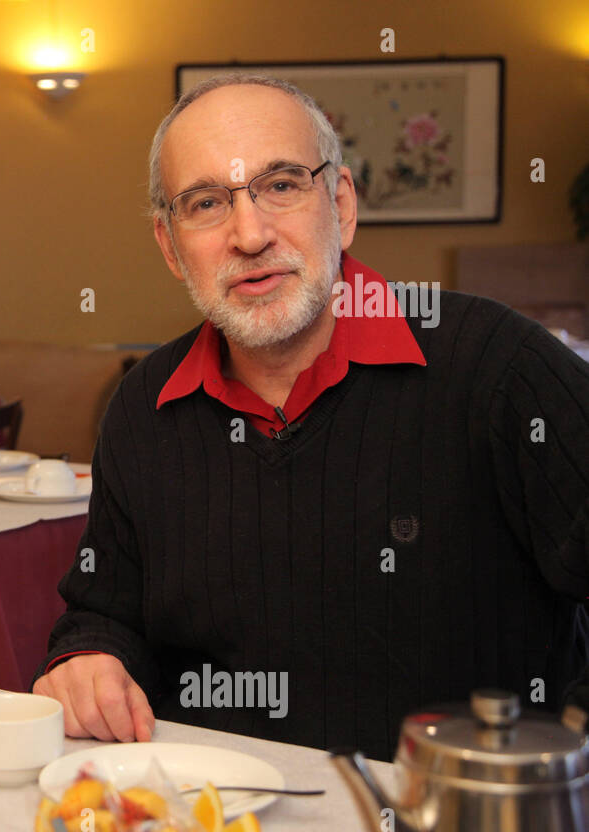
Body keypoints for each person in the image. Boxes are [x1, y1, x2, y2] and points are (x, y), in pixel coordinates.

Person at [32, 75, 589, 761]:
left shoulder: (498, 367)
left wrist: (556, 778)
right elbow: (106, 612)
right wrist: (89, 659)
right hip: (218, 824)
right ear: (171, 246)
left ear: (342, 204)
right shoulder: (144, 408)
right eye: (206, 203)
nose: (250, 233)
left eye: (282, 185)